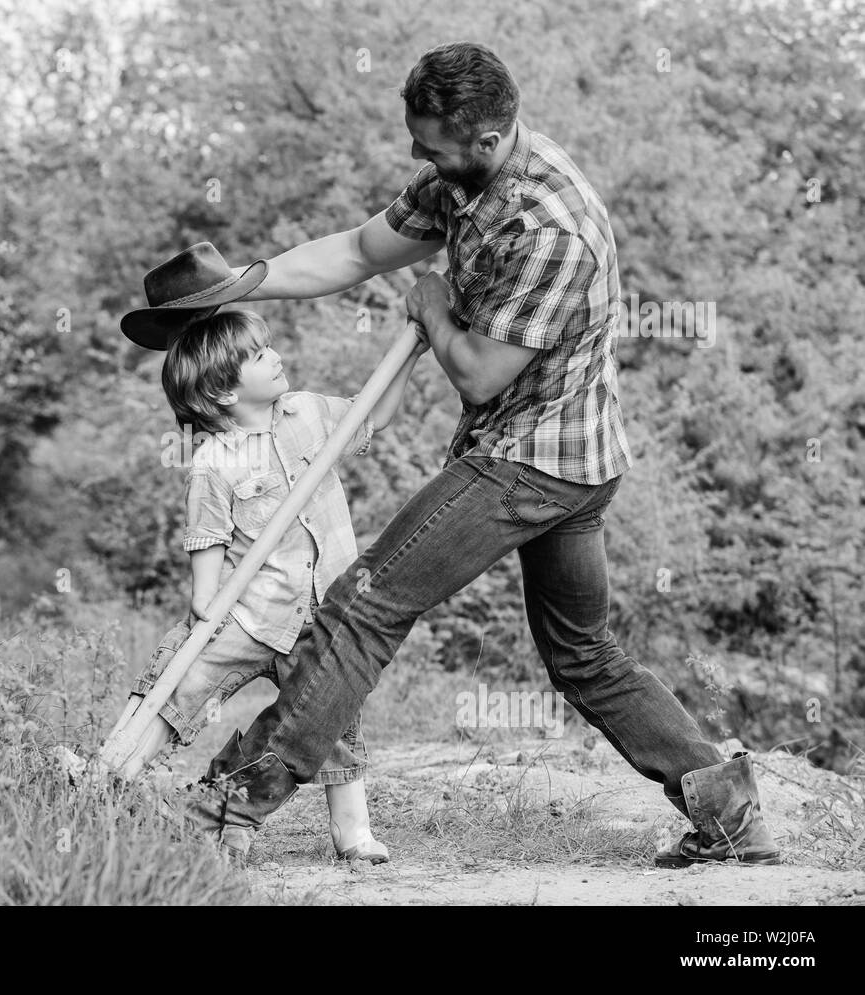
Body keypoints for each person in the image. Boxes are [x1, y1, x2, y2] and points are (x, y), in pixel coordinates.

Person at [182, 42, 780, 868]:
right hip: (569, 454)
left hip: (534, 461)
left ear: (488, 138)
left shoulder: (552, 229)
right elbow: (356, 252)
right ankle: (727, 811)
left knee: (364, 604)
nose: (417, 159)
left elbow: (478, 369)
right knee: (584, 655)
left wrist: (431, 306)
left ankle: (227, 804)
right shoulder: (461, 177)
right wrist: (245, 282)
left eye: (431, 146)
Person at [112, 243, 427, 862]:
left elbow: (374, 416)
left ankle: (353, 832)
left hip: (324, 611)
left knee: (335, 714)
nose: (276, 356)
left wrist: (412, 351)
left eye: (268, 347)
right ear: (224, 392)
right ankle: (113, 769)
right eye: (259, 356)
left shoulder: (308, 413)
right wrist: (205, 601)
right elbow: (206, 535)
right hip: (249, 612)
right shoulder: (215, 460)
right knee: (184, 679)